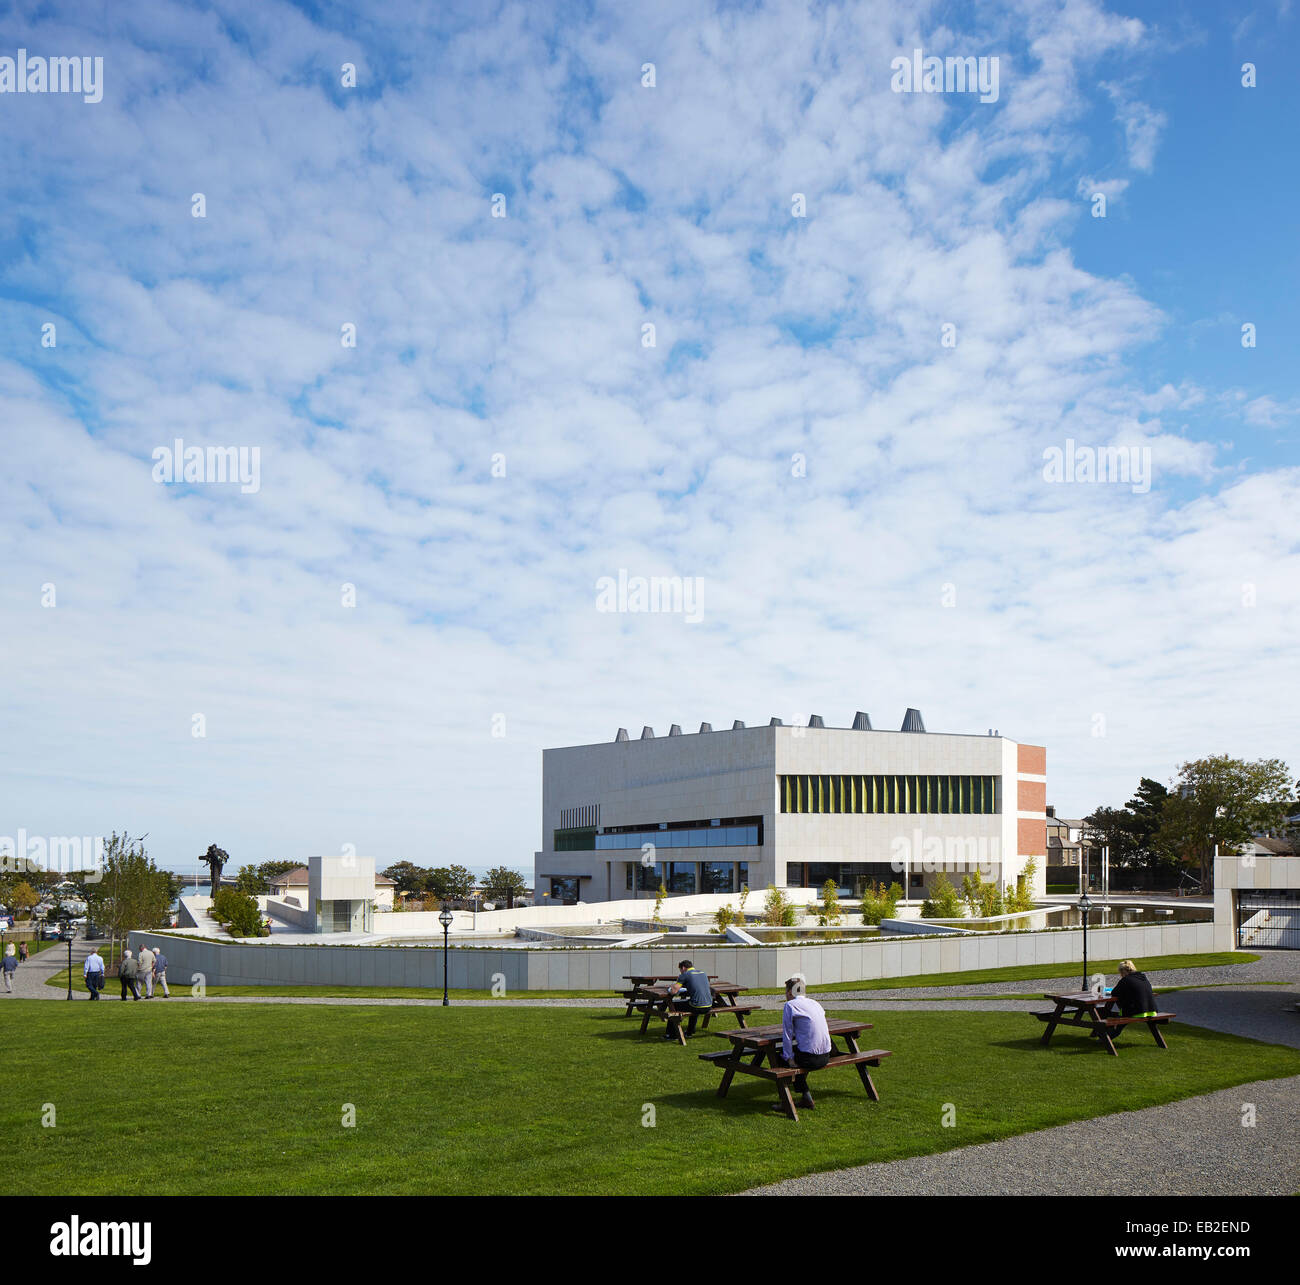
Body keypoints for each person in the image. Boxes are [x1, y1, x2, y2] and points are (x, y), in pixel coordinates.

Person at [777, 973, 833, 1113]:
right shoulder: (815, 1003)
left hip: (811, 1058)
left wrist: (788, 1058)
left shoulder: (790, 1005)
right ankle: (804, 1096)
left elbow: (787, 1035)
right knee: (796, 1055)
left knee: (781, 1059)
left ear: (790, 992)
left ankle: (787, 1101)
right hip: (826, 1055)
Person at [667, 959, 714, 1040]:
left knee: (674, 1006)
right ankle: (690, 1031)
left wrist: (671, 987)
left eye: (680, 970)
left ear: (683, 967)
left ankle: (672, 1034)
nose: (681, 972)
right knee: (693, 1003)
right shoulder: (703, 973)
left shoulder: (685, 974)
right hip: (709, 1005)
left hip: (697, 1007)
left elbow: (673, 991)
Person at [1109, 960, 1158, 1036]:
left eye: (1120, 972)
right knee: (1119, 1016)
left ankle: (1105, 1038)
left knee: (1118, 1022)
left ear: (1123, 971)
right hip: (1151, 1010)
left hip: (1137, 1011)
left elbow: (1114, 993)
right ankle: (1103, 1036)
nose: (1120, 974)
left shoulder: (1125, 980)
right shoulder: (1143, 977)